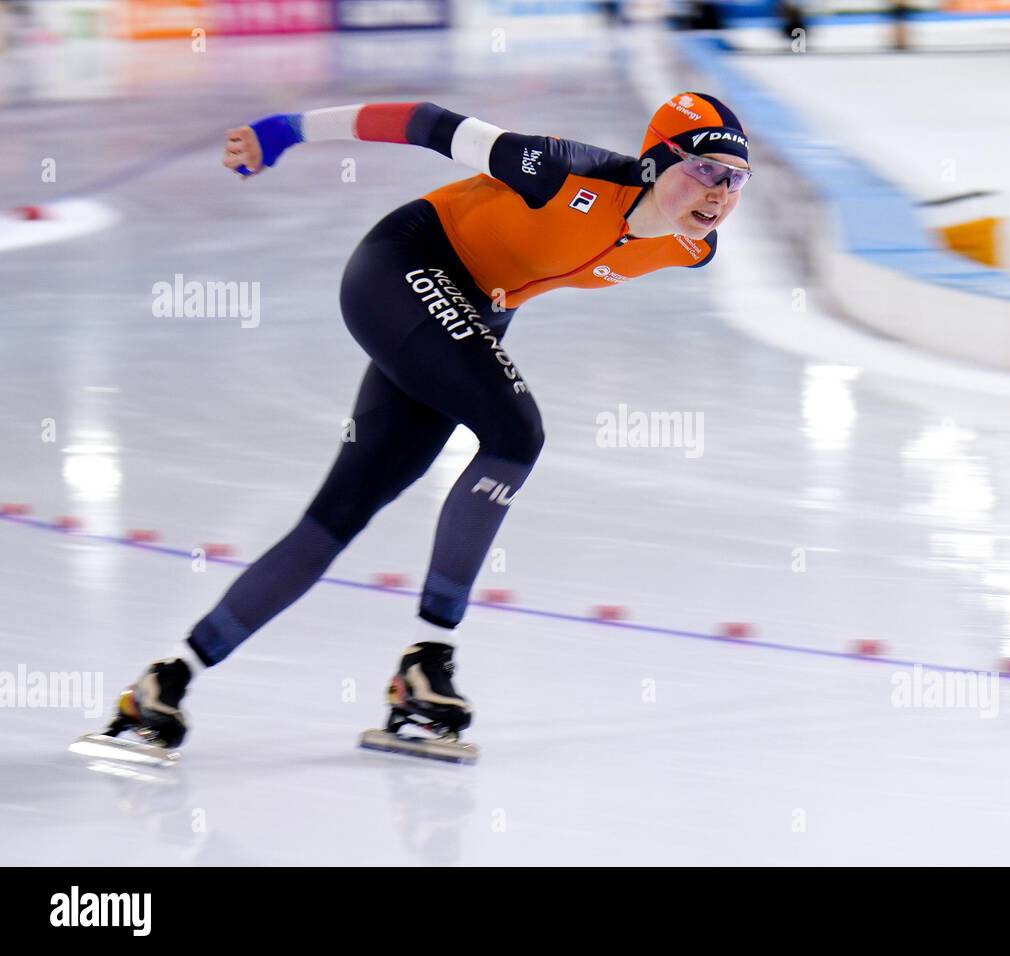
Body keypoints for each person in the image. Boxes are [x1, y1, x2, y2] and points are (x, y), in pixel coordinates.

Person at [96, 92, 752, 758]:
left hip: (464, 318)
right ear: (655, 162)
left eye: (736, 180)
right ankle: (430, 659)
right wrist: (286, 130)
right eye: (707, 171)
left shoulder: (689, 248)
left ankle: (164, 683)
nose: (721, 193)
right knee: (516, 433)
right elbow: (424, 123)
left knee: (340, 513)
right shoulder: (558, 170)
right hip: (402, 267)